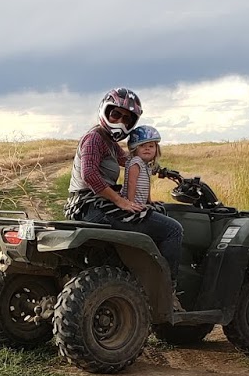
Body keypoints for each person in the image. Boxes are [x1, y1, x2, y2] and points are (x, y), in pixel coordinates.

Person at [65, 88, 184, 279]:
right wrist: (121, 202)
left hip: (93, 206)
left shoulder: (109, 142)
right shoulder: (94, 138)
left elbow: (129, 160)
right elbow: (89, 175)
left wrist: (160, 170)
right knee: (172, 230)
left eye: (127, 119)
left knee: (157, 212)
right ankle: (168, 290)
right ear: (105, 111)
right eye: (115, 114)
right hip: (92, 206)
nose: (120, 121)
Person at [122, 124, 163, 215]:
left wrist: (149, 201)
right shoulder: (136, 162)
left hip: (140, 205)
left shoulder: (147, 166)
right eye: (142, 146)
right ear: (135, 148)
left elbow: (147, 185)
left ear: (156, 149)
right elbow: (131, 183)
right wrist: (130, 203)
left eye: (151, 146)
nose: (147, 148)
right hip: (133, 205)